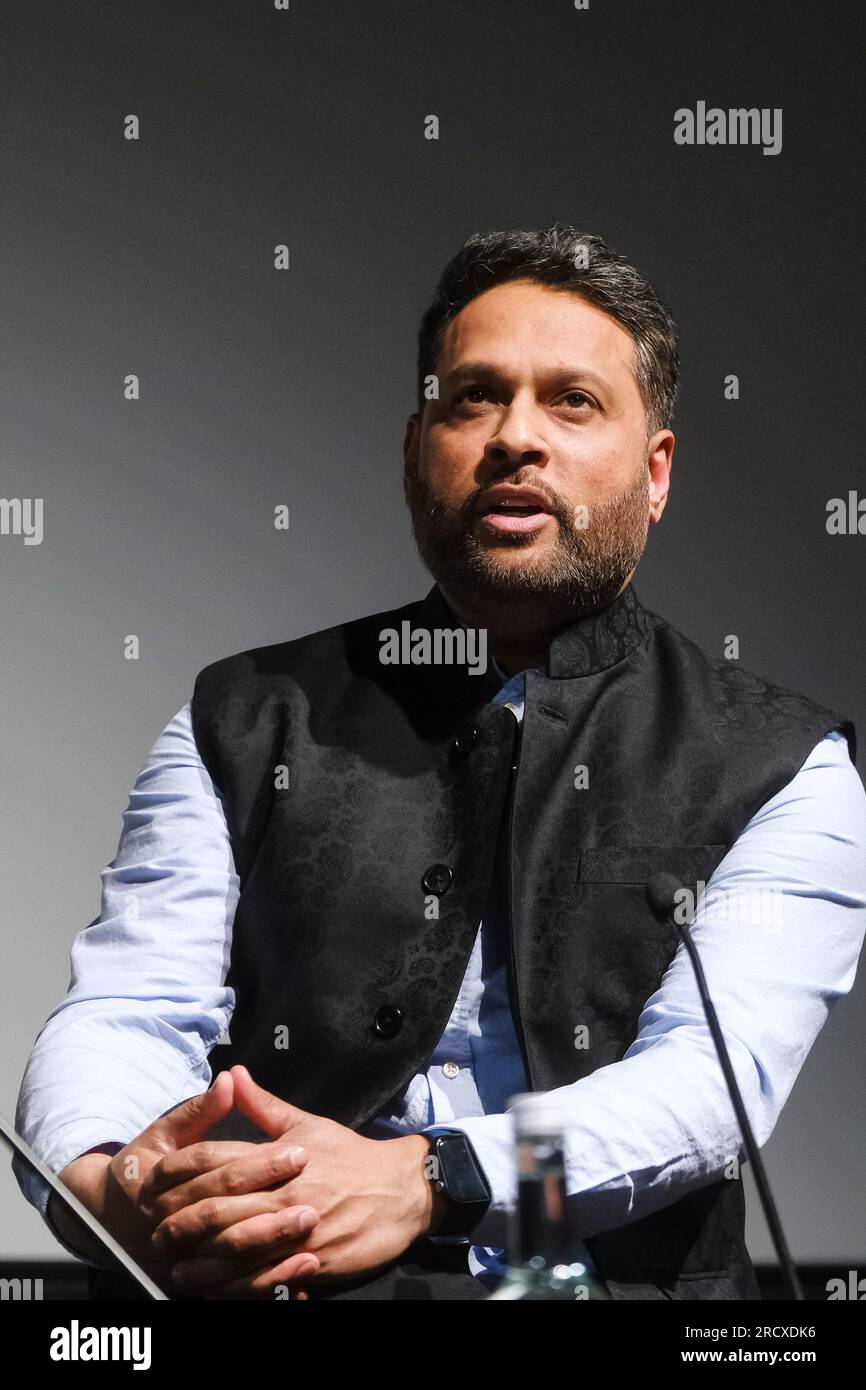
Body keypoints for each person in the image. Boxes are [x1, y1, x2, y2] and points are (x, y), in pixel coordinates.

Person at [13, 226, 866, 1301]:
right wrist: (104, 1178)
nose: (515, 437)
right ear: (415, 453)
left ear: (655, 475)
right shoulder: (242, 718)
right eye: (472, 398)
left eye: (571, 401)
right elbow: (126, 1010)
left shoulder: (783, 764)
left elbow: (708, 1086)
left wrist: (436, 1176)